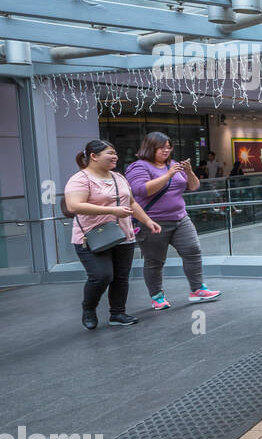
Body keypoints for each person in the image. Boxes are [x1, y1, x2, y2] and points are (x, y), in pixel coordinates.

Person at [64, 139, 162, 330]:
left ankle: (117, 313)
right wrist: (112, 211)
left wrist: (147, 221)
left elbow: (132, 203)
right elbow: (73, 205)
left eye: (115, 152)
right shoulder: (80, 179)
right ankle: (89, 308)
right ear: (93, 156)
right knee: (101, 276)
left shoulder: (119, 177)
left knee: (121, 277)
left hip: (122, 235)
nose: (115, 156)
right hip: (92, 237)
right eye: (110, 153)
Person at [126, 132, 222, 310]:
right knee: (154, 261)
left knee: (192, 249)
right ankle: (157, 296)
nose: (166, 150)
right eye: (161, 147)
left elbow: (193, 186)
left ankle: (197, 289)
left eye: (168, 147)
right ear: (150, 148)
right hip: (152, 221)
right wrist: (168, 175)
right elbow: (141, 190)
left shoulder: (173, 164)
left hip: (180, 218)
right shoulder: (138, 167)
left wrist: (189, 172)